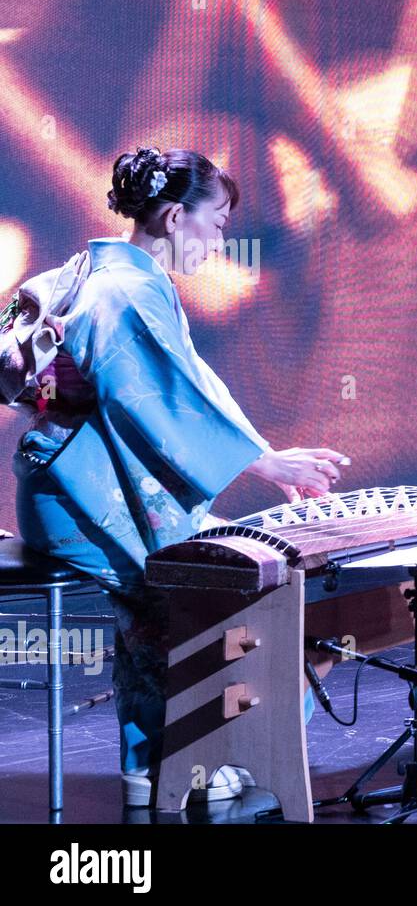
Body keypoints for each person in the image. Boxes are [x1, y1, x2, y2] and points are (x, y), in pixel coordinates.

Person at [11, 147, 348, 807]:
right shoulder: (125, 291)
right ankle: (201, 758)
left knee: (172, 593)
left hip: (76, 481)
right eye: (217, 223)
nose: (222, 239)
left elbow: (188, 389)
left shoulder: (97, 273)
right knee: (208, 585)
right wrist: (264, 461)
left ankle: (153, 766)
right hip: (84, 492)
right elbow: (159, 400)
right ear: (172, 217)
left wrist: (259, 451)